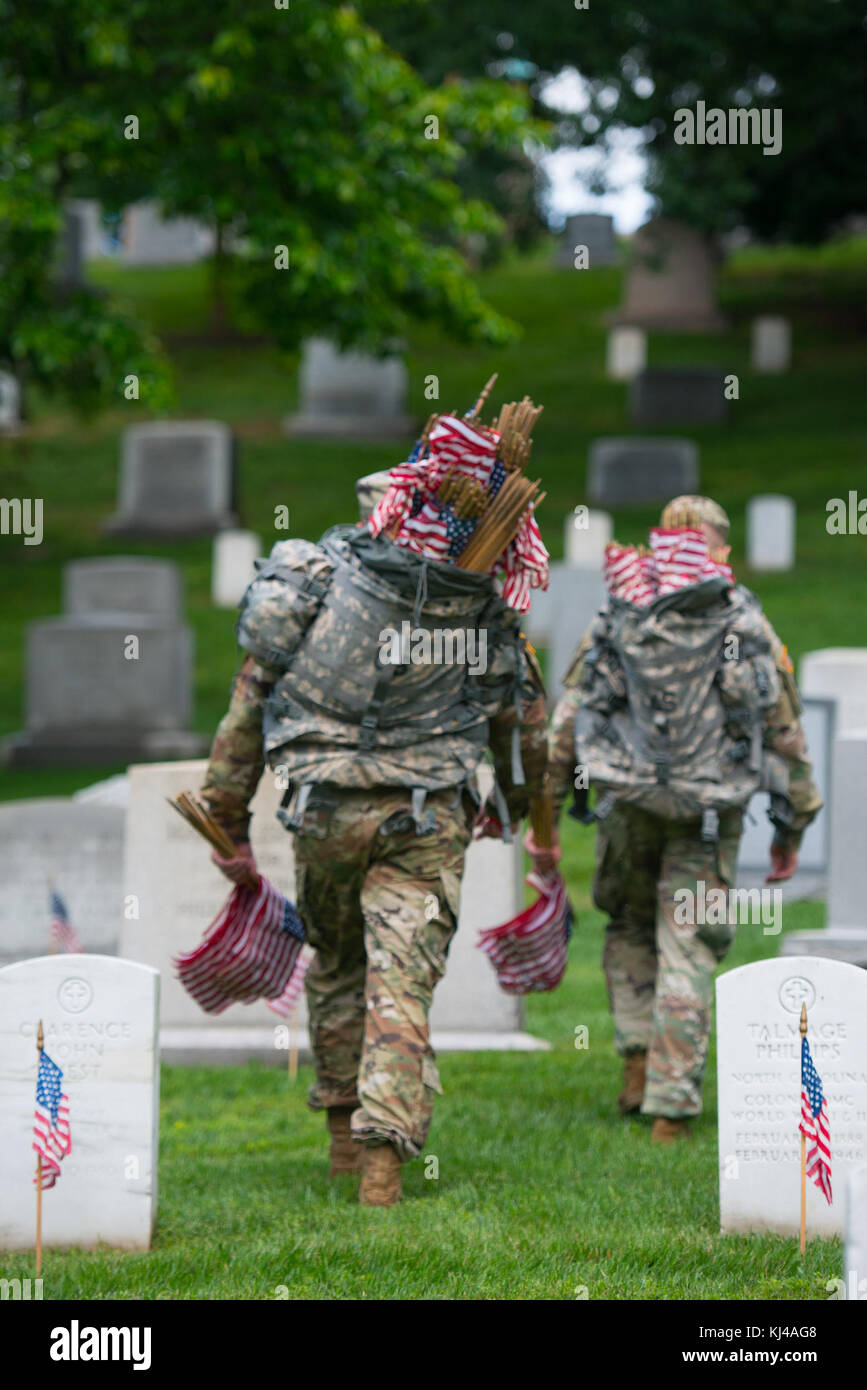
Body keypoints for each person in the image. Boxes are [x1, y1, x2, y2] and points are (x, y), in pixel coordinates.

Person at [200, 396, 549, 1205]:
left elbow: (247, 707)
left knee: (335, 962)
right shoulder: (477, 599)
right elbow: (520, 716)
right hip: (427, 816)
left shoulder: (310, 582)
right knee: (403, 980)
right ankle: (384, 1165)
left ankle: (339, 1142)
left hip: (324, 806)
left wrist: (227, 821)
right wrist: (525, 813)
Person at [535, 495, 822, 1142]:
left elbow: (566, 721)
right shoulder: (743, 623)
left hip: (626, 805)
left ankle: (636, 1064)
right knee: (685, 945)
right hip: (707, 814)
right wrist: (791, 829)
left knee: (630, 925)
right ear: (722, 550)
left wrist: (544, 821)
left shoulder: (621, 612)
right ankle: (671, 1106)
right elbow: (785, 736)